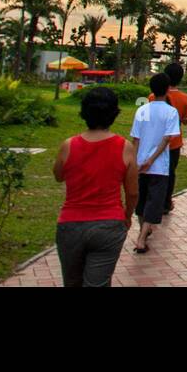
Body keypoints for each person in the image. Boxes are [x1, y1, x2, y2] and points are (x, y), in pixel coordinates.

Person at [52, 87, 138, 287]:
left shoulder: (68, 145)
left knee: (72, 282)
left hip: (70, 225)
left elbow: (58, 176)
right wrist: (127, 215)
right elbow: (133, 192)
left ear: (84, 112)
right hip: (109, 225)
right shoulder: (125, 148)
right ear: (114, 113)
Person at [129, 73, 181, 254]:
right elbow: (167, 139)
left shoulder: (142, 110)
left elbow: (135, 139)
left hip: (140, 163)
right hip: (159, 166)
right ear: (168, 90)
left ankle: (143, 231)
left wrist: (136, 161)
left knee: (141, 200)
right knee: (154, 201)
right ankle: (142, 237)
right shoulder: (171, 112)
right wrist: (152, 159)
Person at [151, 61, 187, 214]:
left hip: (156, 140)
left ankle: (155, 201)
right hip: (174, 142)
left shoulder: (152, 96)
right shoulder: (185, 98)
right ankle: (166, 202)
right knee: (170, 173)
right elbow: (186, 121)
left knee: (155, 172)